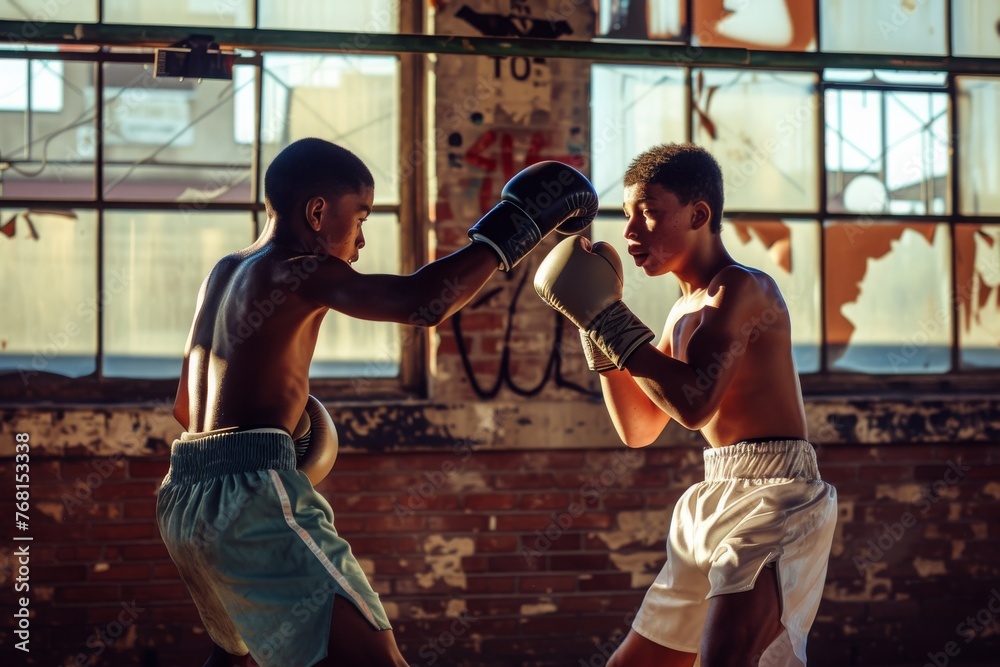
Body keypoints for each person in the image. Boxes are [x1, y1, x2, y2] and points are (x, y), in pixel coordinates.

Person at [156, 137, 598, 667]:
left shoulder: (223, 273)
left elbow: (186, 408)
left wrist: (274, 413)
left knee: (235, 659)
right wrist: (518, 223)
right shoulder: (300, 268)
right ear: (318, 211)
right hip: (251, 497)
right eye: (360, 218)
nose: (361, 241)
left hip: (182, 498)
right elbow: (422, 302)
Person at [534, 143, 837, 667]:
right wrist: (594, 327)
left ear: (699, 214)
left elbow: (695, 402)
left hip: (776, 499)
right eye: (627, 215)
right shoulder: (681, 312)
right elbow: (639, 428)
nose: (630, 232)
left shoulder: (743, 288)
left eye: (649, 214)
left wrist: (609, 320)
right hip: (709, 497)